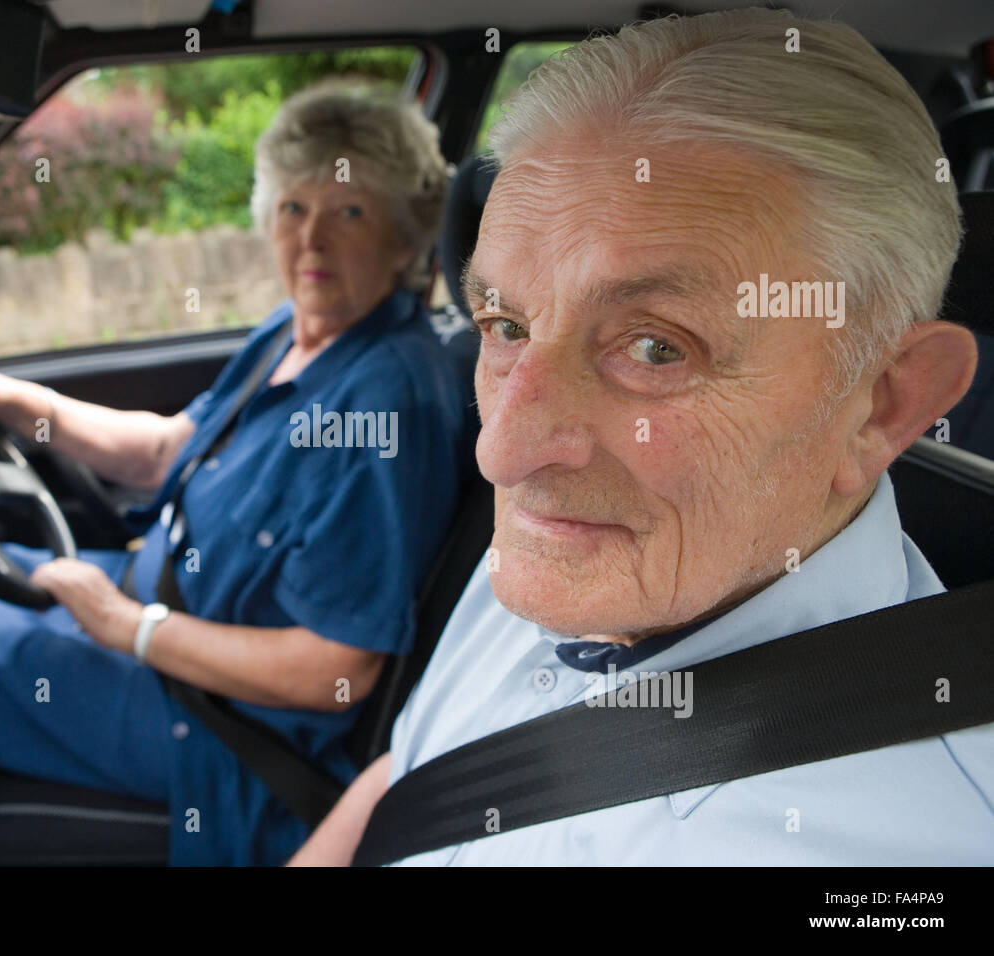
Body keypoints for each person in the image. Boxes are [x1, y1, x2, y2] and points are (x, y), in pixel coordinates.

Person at [289, 8, 994, 866]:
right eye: (505, 325)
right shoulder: (577, 541)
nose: (502, 453)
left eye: (657, 348)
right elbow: (410, 773)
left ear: (883, 401)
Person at [0, 82, 475, 866]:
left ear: (406, 237)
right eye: (291, 209)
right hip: (156, 609)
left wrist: (130, 628)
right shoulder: (298, 331)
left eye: (348, 213)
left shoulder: (388, 399)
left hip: (222, 718)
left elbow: (333, 672)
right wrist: (1, 396)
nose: (310, 242)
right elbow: (171, 450)